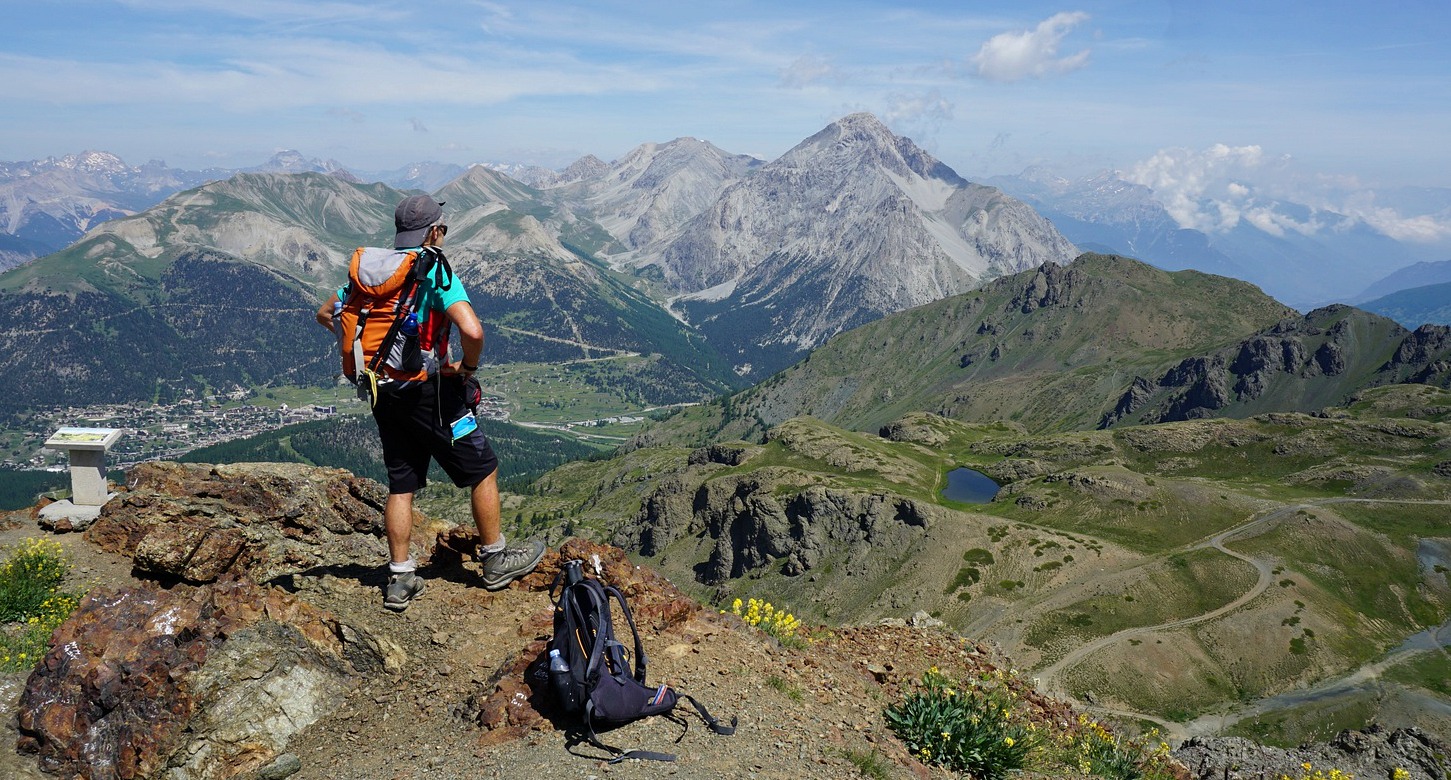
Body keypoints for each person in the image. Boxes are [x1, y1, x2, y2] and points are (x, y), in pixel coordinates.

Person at [315, 194, 545, 611]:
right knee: (483, 468)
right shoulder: (434, 270)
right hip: (431, 392)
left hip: (382, 390)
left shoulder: (370, 272)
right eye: (444, 228)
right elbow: (472, 330)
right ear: (435, 232)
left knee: (401, 484)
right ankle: (495, 560)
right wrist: (466, 370)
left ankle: (400, 578)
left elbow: (326, 313)